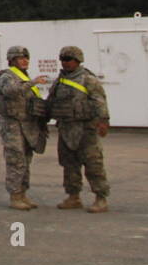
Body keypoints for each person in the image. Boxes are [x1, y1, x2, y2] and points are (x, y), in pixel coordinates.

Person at [45, 45, 110, 213]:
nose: (65, 63)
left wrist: (103, 121)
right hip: (66, 129)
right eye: (63, 60)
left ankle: (100, 197)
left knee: (93, 164)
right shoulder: (60, 80)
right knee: (69, 165)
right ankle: (73, 197)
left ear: (77, 60)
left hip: (86, 129)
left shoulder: (88, 79)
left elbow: (99, 100)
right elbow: (51, 101)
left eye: (68, 59)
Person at [0, 45, 49, 210]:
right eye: (20, 58)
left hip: (28, 125)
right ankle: (15, 196)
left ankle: (23, 193)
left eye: (26, 58)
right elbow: (11, 91)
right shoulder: (6, 76)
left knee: (26, 160)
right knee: (15, 160)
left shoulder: (24, 76)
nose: (25, 61)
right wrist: (32, 82)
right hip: (12, 125)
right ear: (12, 60)